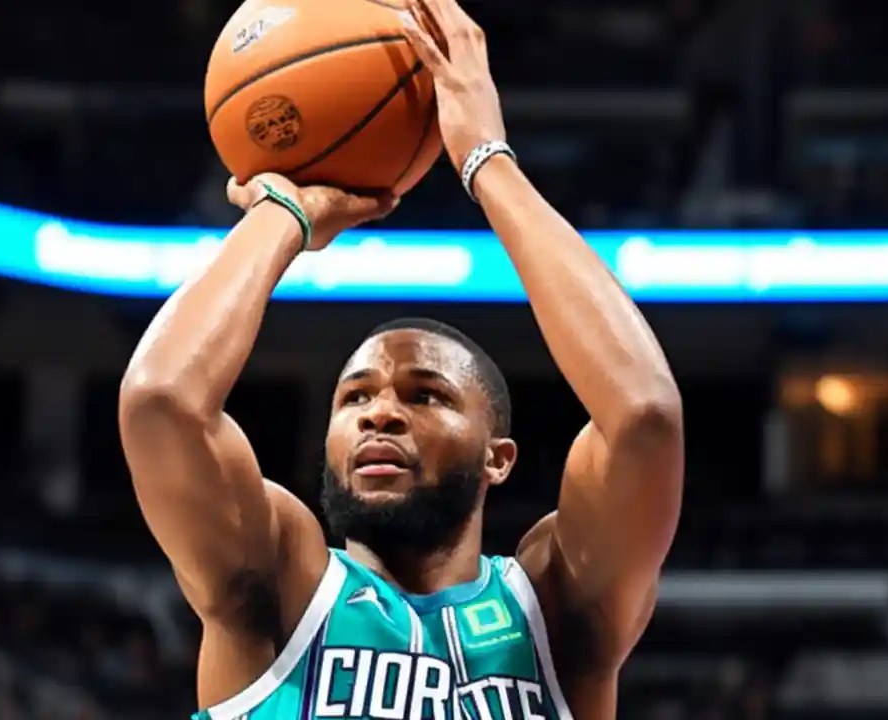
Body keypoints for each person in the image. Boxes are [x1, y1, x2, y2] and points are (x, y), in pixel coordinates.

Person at [117, 0, 684, 717]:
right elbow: (159, 403)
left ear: (498, 458)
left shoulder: (555, 605)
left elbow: (645, 416)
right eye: (353, 398)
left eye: (427, 396)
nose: (380, 412)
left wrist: (487, 160)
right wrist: (283, 213)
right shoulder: (280, 585)